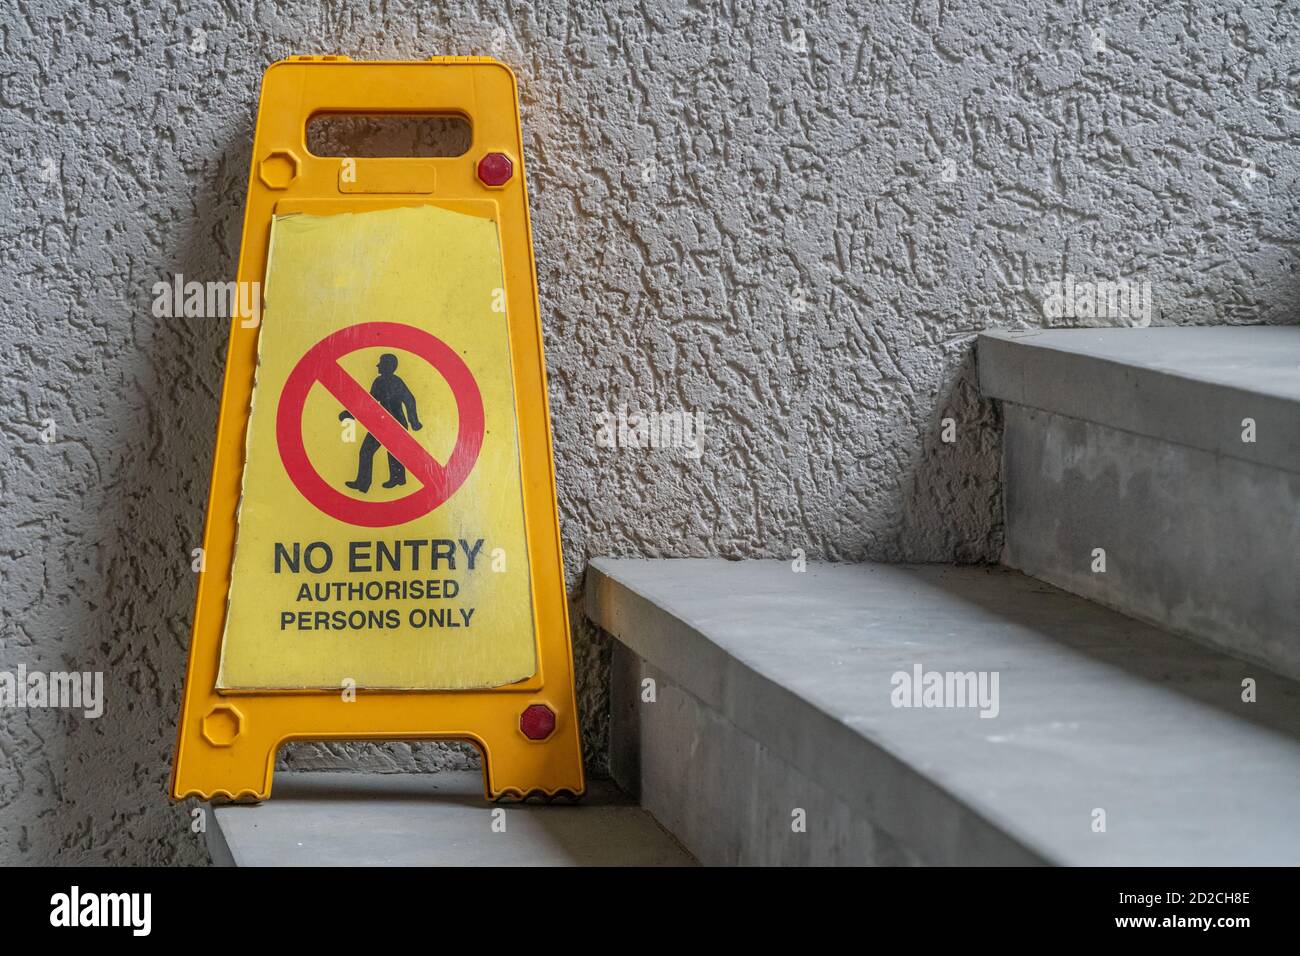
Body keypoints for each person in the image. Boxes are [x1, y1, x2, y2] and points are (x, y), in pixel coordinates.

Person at [340, 353, 422, 492]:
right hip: (381, 423)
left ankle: (397, 478)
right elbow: (368, 402)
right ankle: (363, 483)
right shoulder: (378, 382)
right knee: (366, 450)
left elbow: (409, 399)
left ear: (388, 366)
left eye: (381, 363)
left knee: (394, 452)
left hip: (396, 423)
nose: (377, 365)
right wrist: (349, 414)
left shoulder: (397, 382)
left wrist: (414, 421)